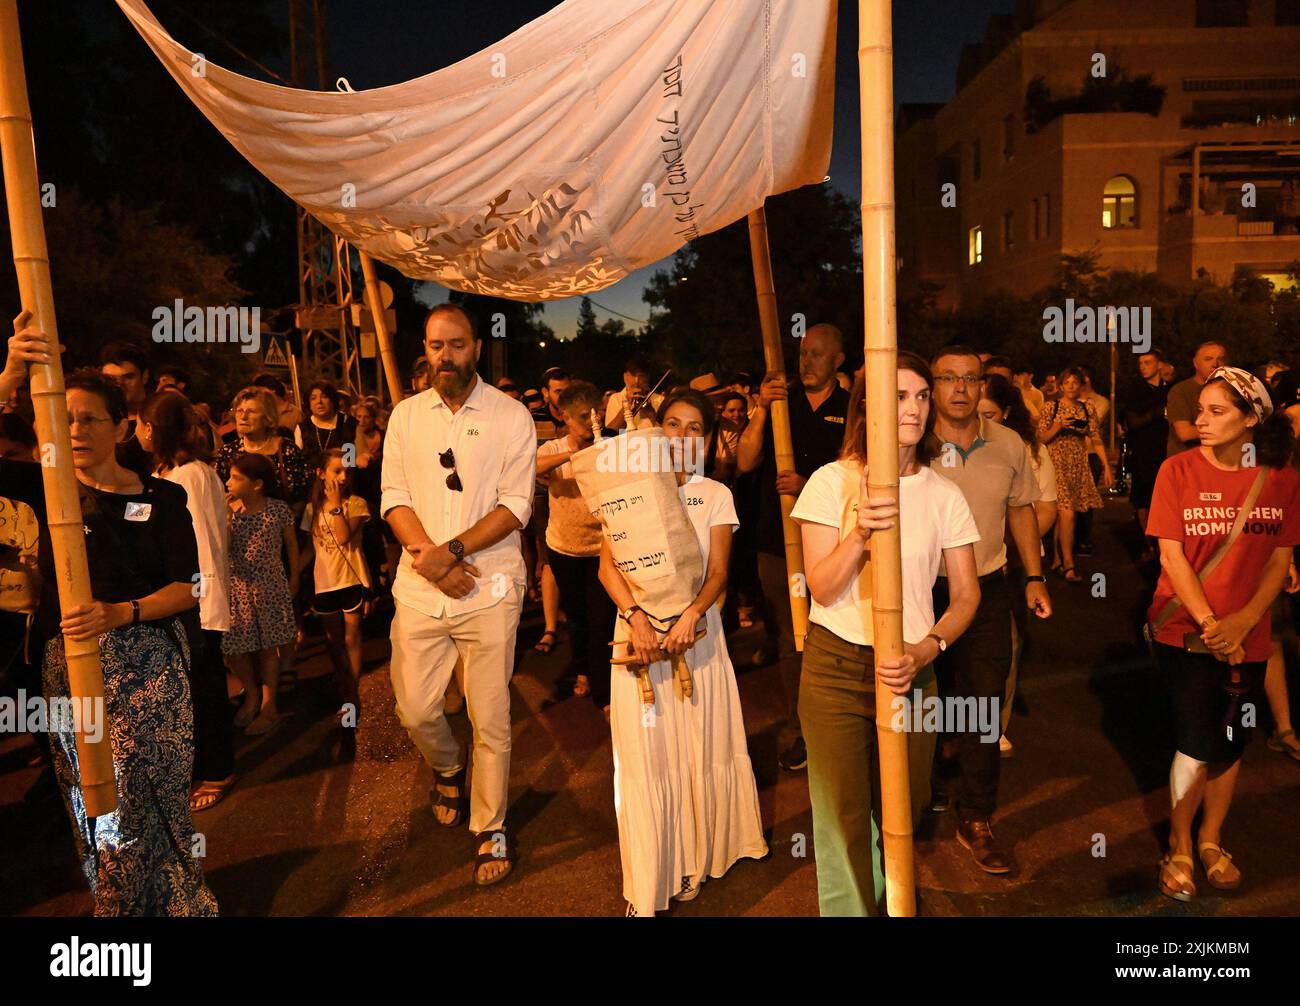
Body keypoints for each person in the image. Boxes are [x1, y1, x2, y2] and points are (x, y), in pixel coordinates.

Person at [11, 316, 216, 915]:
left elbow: (190, 587)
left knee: (153, 791)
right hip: (72, 667)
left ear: (123, 425)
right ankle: (120, 901)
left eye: (90, 419)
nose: (75, 430)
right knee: (95, 796)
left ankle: (170, 896)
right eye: (64, 418)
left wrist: (120, 614)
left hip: (150, 666)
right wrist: (8, 377)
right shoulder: (44, 489)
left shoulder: (162, 497)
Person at [793, 355, 980, 915]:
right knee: (841, 812)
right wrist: (859, 534)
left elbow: (968, 594)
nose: (916, 407)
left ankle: (890, 889)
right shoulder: (831, 482)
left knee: (909, 802)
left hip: (911, 668)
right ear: (866, 406)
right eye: (900, 396)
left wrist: (929, 648)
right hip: (834, 666)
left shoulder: (942, 493)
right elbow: (822, 590)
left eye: (922, 396)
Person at [382, 303, 536, 886]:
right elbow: (393, 495)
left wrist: (453, 552)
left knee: (489, 712)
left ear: (477, 347)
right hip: (421, 587)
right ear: (425, 349)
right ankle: (448, 766)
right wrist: (430, 558)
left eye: (457, 345)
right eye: (436, 345)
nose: (445, 356)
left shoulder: (510, 415)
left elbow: (516, 505)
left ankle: (489, 823)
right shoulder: (405, 416)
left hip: (489, 586)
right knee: (416, 709)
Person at [599, 388, 768, 916]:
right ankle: (648, 879)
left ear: (709, 438)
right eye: (672, 424)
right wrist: (637, 619)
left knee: (696, 750)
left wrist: (692, 615)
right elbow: (609, 568)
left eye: (695, 428)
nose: (682, 437)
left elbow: (719, 572)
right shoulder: (627, 488)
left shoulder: (716, 493)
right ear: (656, 432)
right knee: (646, 760)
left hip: (698, 639)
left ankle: (695, 858)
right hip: (639, 637)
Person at [1146, 366, 1300, 901]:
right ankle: (1180, 843)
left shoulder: (1280, 476)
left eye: (1217, 411)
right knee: (1194, 742)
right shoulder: (1177, 470)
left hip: (1248, 634)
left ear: (1252, 418)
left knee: (1232, 743)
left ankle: (1212, 840)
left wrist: (1244, 620)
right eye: (1200, 409)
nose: (1200, 420)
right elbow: (1171, 555)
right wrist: (1214, 625)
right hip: (1186, 631)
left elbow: (1280, 559)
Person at [928, 345, 1051, 874]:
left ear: (983, 386)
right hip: (920, 593)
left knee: (981, 702)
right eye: (948, 378)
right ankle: (920, 792)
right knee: (924, 700)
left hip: (986, 588)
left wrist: (1035, 577)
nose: (959, 388)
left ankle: (975, 816)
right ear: (932, 386)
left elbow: (1019, 509)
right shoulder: (910, 443)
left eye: (970, 379)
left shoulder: (1008, 444)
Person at [737, 323, 850, 772]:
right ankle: (799, 729)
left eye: (818, 355)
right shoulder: (781, 407)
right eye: (803, 354)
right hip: (777, 544)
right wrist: (762, 410)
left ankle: (838, 724)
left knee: (835, 633)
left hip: (834, 543)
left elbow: (858, 476)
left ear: (838, 361)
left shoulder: (852, 409)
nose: (807, 362)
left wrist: (809, 488)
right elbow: (745, 461)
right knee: (791, 637)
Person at [136, 390, 235, 813]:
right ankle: (197, 764)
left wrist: (201, 595)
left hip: (197, 594)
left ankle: (218, 768)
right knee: (192, 686)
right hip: (188, 594)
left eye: (142, 423)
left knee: (206, 686)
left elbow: (204, 542)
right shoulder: (171, 471)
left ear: (154, 428)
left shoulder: (191, 475)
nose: (137, 431)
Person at [535, 381, 616, 712]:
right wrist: (576, 455)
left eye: (596, 414)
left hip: (603, 550)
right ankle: (582, 668)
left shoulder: (609, 445)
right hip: (564, 549)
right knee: (578, 619)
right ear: (564, 417)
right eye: (583, 416)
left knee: (602, 621)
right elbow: (530, 469)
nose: (591, 421)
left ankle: (604, 695)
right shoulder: (552, 450)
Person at [223, 452, 300, 736]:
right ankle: (252, 694)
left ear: (257, 484)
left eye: (236, 477)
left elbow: (290, 545)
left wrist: (294, 577)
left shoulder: (277, 509)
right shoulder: (231, 511)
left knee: (269, 645)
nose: (229, 482)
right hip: (238, 587)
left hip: (270, 585)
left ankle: (269, 704)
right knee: (237, 647)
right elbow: (224, 548)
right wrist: (227, 518)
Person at [303, 449, 371, 726]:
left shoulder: (355, 504)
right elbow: (312, 549)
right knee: (333, 643)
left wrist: (335, 505)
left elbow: (343, 537)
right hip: (325, 583)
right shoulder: (311, 509)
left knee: (351, 639)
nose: (342, 477)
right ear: (321, 474)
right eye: (336, 471)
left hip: (351, 580)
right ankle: (344, 682)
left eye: (346, 471)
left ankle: (351, 695)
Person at [1038, 367, 1113, 582]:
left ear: (1081, 385)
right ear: (1060, 386)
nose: (1071, 386)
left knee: (1063, 515)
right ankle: (1069, 564)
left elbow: (1096, 438)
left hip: (1077, 464)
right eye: (1067, 382)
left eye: (1075, 382)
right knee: (1067, 513)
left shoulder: (1087, 408)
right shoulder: (1051, 407)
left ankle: (1056, 559)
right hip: (1055, 465)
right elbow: (1041, 438)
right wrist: (1058, 426)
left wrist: (1106, 466)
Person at [215, 387, 313, 505]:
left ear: (267, 417)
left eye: (251, 411)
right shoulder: (227, 453)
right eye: (240, 411)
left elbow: (303, 495)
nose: (243, 417)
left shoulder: (288, 450)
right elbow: (218, 493)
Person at [1122, 349, 1173, 560]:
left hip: (1166, 449)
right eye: (1141, 363)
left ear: (1159, 364)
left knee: (1166, 498)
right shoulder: (1135, 390)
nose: (1144, 366)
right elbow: (1132, 422)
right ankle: (1148, 543)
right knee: (1143, 499)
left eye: (1148, 362)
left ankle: (1164, 542)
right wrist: (1156, 414)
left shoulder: (1170, 390)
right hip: (1143, 450)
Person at [99, 340, 154, 476]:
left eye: (128, 377)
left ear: (145, 376)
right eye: (111, 379)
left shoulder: (160, 417)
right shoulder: (96, 418)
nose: (119, 384)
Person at [1166, 341, 1228, 457]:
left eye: (1221, 359)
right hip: (1188, 462)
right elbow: (1185, 433)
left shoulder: (1230, 391)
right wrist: (1228, 430)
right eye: (1208, 359)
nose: (1215, 364)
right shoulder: (1181, 390)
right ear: (1195, 363)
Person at [295, 380, 358, 461]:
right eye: (313, 398)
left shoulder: (349, 423)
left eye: (324, 396)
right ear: (309, 404)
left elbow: (351, 461)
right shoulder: (302, 428)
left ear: (333, 400)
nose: (319, 402)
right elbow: (299, 461)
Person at [604, 355, 663, 432]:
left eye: (641, 375)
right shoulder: (615, 399)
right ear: (625, 377)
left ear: (647, 378)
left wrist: (651, 414)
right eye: (633, 375)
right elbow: (609, 434)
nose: (636, 381)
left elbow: (666, 434)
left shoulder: (660, 400)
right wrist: (626, 408)